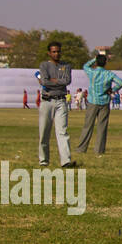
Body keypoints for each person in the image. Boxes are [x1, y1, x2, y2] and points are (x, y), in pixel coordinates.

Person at [36, 40, 77, 168]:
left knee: (62, 132)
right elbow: (44, 81)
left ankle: (66, 161)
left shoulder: (66, 66)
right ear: (49, 53)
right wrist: (58, 81)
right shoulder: (44, 65)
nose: (56, 54)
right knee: (44, 133)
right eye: (54, 52)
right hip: (47, 101)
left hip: (61, 101)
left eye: (58, 51)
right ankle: (44, 160)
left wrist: (52, 80)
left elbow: (67, 81)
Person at [76, 50, 122, 156]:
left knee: (88, 126)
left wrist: (95, 58)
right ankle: (99, 150)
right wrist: (112, 89)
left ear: (96, 63)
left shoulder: (92, 72)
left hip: (93, 101)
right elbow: (121, 82)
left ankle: (81, 148)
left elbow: (85, 65)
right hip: (104, 102)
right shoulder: (109, 74)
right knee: (102, 127)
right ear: (105, 63)